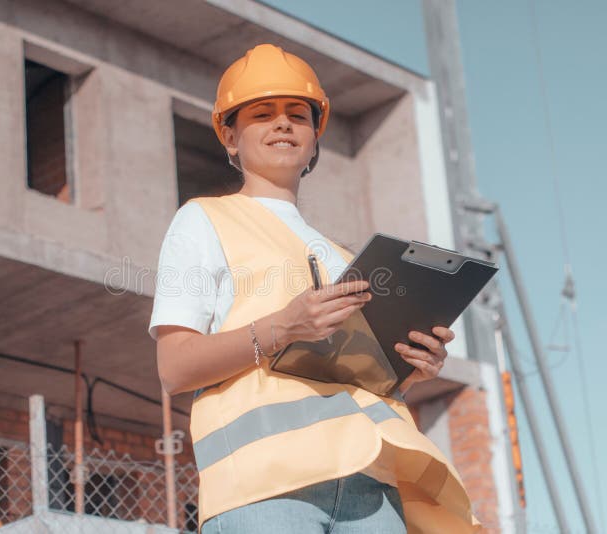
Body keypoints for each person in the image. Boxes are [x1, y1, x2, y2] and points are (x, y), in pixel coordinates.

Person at [149, 44, 481, 534]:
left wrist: (409, 369)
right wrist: (283, 326)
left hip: (371, 485)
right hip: (266, 488)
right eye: (262, 113)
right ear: (230, 135)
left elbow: (351, 376)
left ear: (314, 136)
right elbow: (174, 366)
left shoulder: (346, 257)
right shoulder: (202, 220)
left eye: (297, 116)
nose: (283, 124)